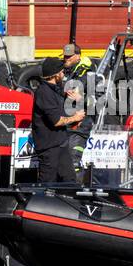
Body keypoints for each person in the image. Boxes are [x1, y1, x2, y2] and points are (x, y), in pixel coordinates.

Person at [32, 57, 86, 185]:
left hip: (60, 143)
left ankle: (68, 203)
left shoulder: (55, 90)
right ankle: (40, 204)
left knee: (70, 180)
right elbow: (56, 121)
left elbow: (64, 111)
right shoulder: (44, 92)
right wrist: (75, 118)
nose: (63, 75)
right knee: (47, 182)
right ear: (56, 75)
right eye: (62, 72)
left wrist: (78, 99)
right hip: (49, 146)